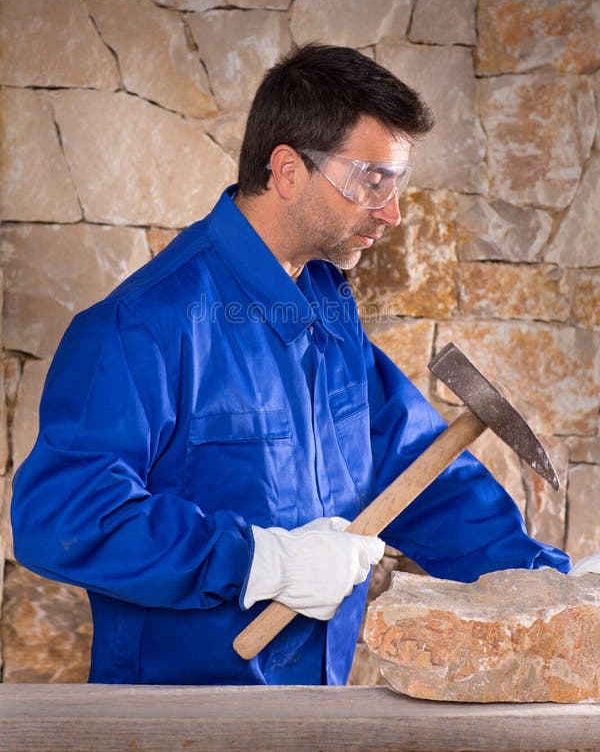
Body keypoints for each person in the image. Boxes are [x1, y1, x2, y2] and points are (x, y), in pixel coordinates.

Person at [11, 43, 579, 687]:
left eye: (396, 184)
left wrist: (537, 580)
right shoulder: (144, 325)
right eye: (372, 180)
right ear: (287, 171)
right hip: (178, 723)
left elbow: (417, 469)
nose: (391, 213)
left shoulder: (327, 311)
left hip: (315, 710)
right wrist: (258, 561)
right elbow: (60, 516)